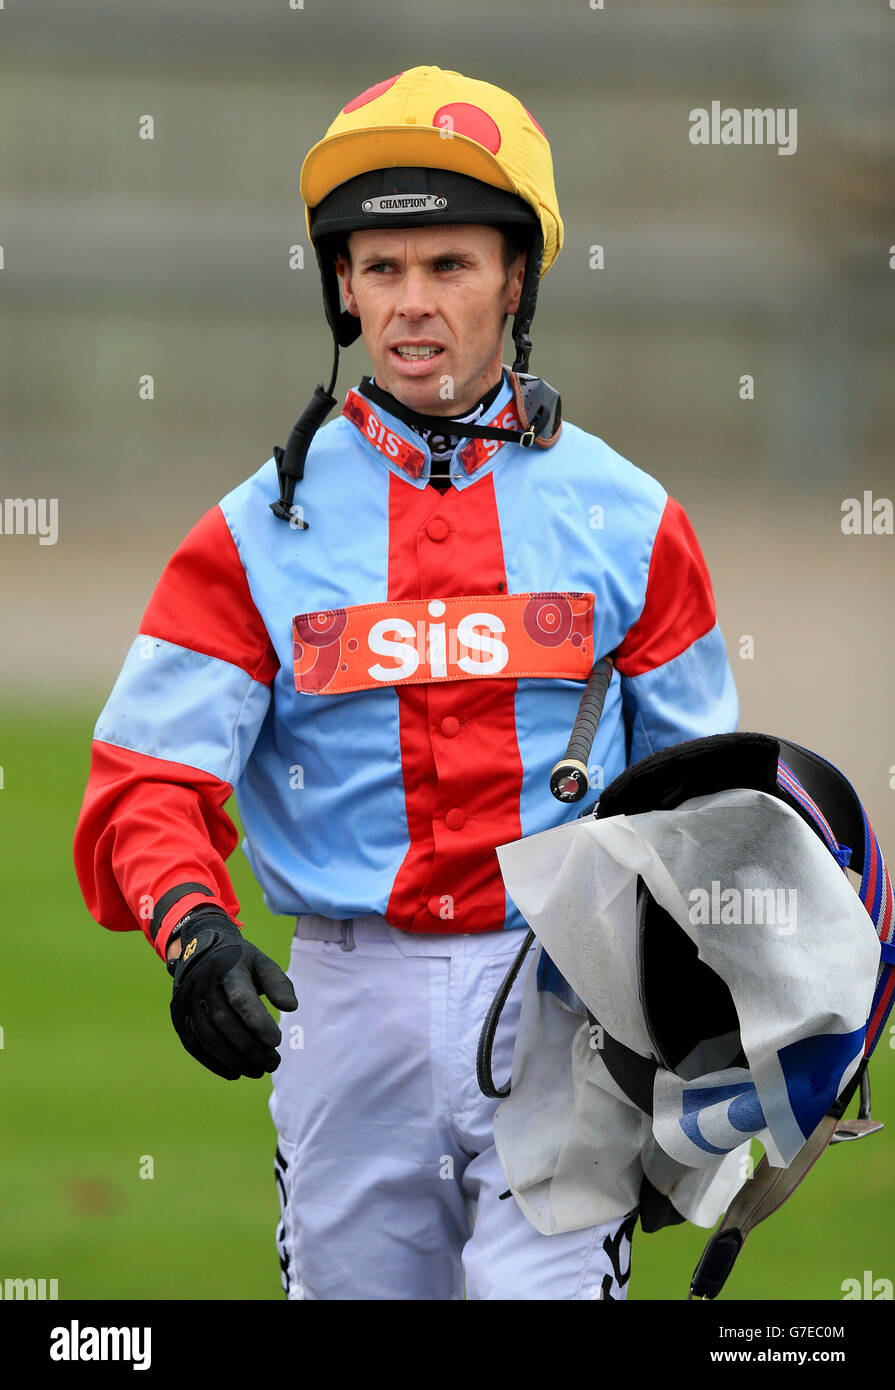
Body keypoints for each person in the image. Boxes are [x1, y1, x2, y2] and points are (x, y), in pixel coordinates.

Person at [73, 65, 738, 1301]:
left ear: (518, 279)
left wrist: (710, 1025)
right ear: (340, 287)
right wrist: (196, 934)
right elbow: (146, 780)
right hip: (340, 1015)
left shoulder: (637, 523)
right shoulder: (248, 536)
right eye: (381, 268)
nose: (413, 306)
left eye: (450, 266)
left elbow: (706, 810)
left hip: (563, 1012)